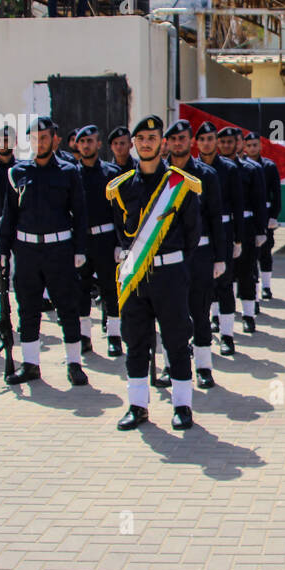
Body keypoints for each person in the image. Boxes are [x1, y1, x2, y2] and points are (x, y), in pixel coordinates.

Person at [107, 114, 202, 430]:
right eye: (140, 139)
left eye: (152, 139)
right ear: (133, 144)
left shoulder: (180, 184)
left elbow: (192, 234)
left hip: (170, 275)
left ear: (162, 144)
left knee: (176, 339)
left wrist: (170, 260)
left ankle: (183, 406)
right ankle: (137, 406)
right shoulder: (121, 188)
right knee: (135, 340)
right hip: (136, 275)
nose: (146, 143)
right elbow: (122, 233)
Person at [0, 115, 89, 387]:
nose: (39, 142)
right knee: (28, 309)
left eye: (44, 137)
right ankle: (31, 364)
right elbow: (8, 215)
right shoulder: (18, 172)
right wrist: (2, 249)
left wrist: (80, 248)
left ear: (55, 139)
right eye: (34, 138)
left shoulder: (69, 171)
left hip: (59, 249)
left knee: (67, 307)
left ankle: (74, 364)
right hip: (27, 251)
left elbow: (80, 213)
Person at [165, 119, 227, 387]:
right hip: (167, 256)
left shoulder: (207, 175)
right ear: (166, 143)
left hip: (200, 255)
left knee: (200, 312)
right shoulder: (158, 173)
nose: (178, 143)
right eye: (173, 139)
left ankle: (203, 367)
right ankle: (171, 367)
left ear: (190, 141)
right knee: (170, 314)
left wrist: (220, 257)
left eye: (182, 139)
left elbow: (216, 218)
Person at [71, 124, 123, 357]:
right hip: (81, 240)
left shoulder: (111, 173)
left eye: (90, 141)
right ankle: (84, 336)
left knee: (111, 289)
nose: (86, 145)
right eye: (82, 142)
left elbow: (121, 212)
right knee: (80, 290)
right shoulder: (71, 173)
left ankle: (114, 336)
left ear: (99, 144)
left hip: (106, 239)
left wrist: (121, 243)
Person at [198, 124, 244, 354]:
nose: (207, 143)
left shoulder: (229, 168)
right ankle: (200, 333)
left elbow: (238, 205)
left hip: (223, 232)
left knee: (224, 284)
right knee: (197, 288)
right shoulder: (189, 169)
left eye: (210, 139)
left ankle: (227, 335)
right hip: (195, 235)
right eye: (202, 139)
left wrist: (238, 240)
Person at [229, 128, 268, 333]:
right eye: (227, 141)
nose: (233, 145)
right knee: (224, 275)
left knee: (247, 272)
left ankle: (248, 315)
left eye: (236, 141)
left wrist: (261, 229)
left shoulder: (251, 169)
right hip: (225, 227)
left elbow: (259, 201)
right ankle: (221, 316)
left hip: (247, 225)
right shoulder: (216, 169)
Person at [244, 131, 281, 300]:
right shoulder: (240, 166)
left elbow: (276, 194)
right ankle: (253, 289)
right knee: (249, 255)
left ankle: (266, 286)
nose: (252, 148)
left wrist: (273, 216)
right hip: (247, 217)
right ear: (244, 147)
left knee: (265, 251)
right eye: (249, 145)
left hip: (265, 215)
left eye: (255, 145)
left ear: (260, 145)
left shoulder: (269, 166)